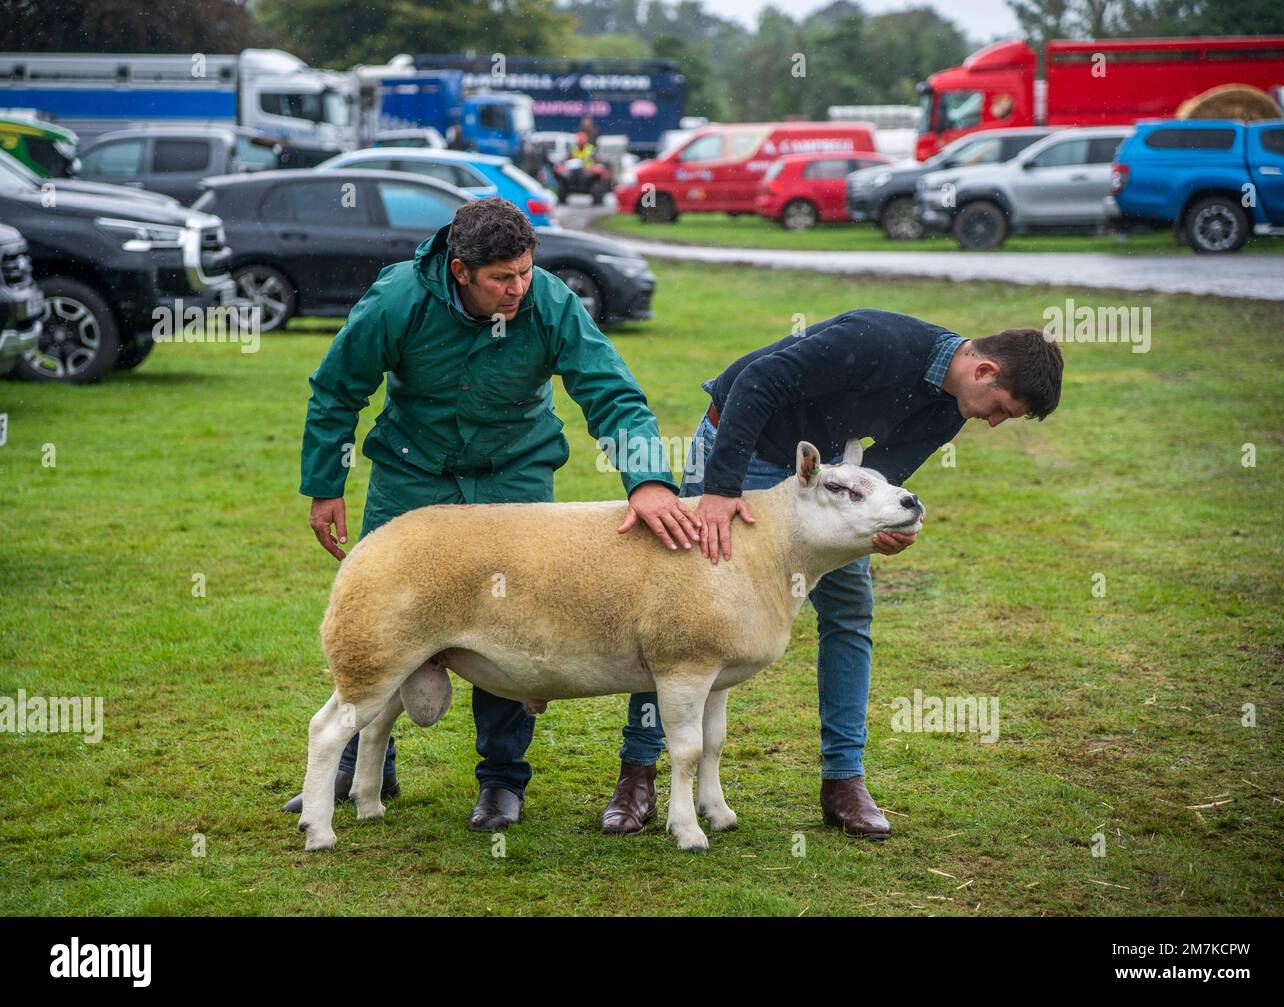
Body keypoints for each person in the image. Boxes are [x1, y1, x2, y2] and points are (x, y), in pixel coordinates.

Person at [281, 197, 700, 830]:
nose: (518, 288)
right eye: (502, 278)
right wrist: (325, 483)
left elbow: (611, 391)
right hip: (412, 474)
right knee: (386, 615)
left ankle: (502, 780)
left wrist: (647, 481)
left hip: (513, 474)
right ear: (460, 270)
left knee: (514, 626)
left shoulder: (549, 302)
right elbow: (338, 388)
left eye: (525, 271)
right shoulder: (398, 300)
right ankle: (359, 766)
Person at [600, 314, 1064, 839]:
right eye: (1002, 409)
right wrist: (722, 487)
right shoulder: (880, 343)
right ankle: (636, 773)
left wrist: (887, 530)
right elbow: (756, 382)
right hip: (745, 446)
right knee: (685, 612)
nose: (995, 423)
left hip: (829, 486)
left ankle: (843, 781)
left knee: (848, 610)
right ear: (983, 371)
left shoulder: (949, 408)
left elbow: (879, 480)